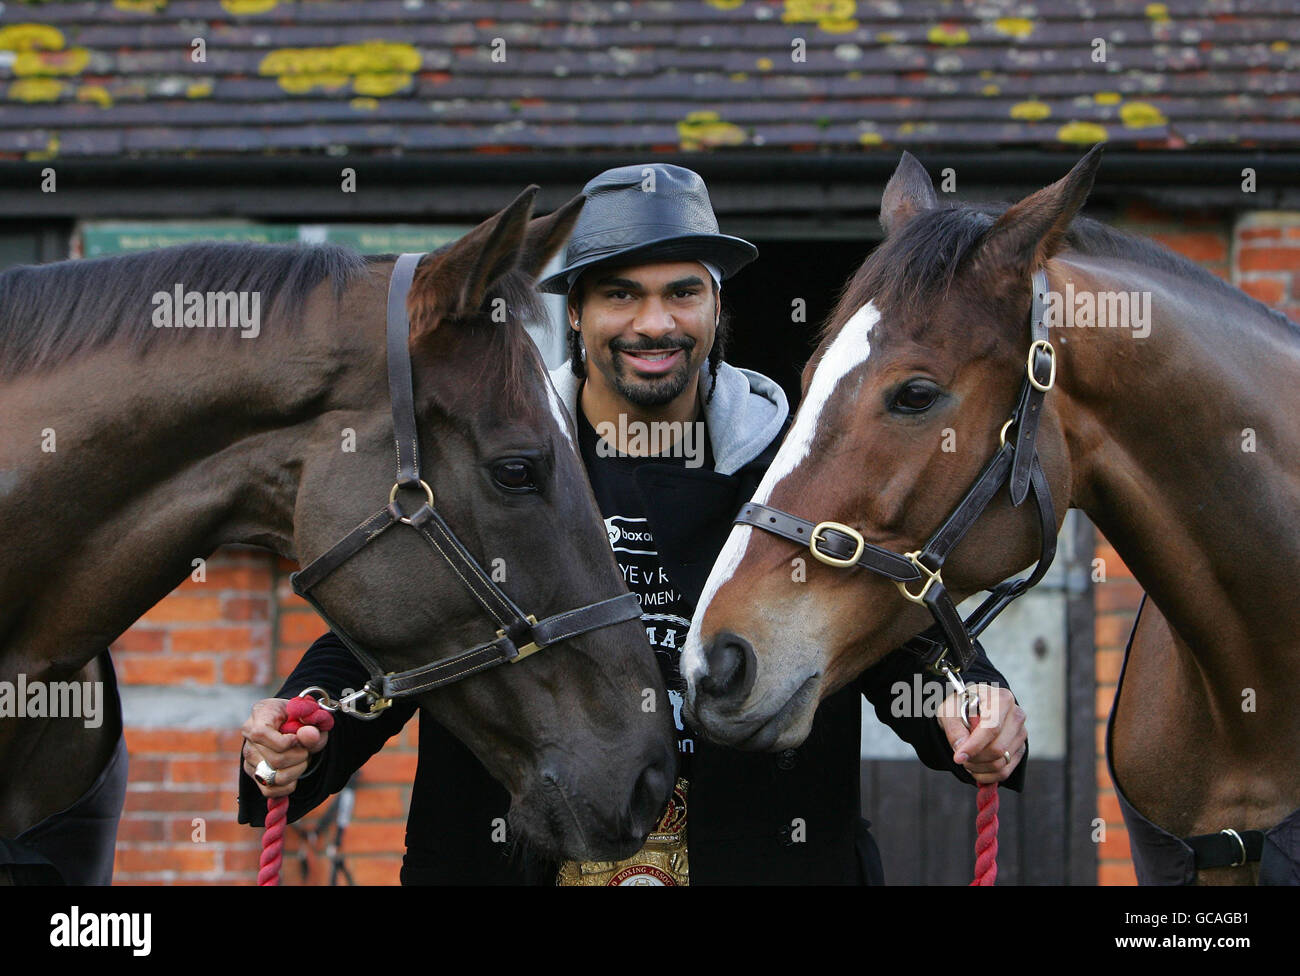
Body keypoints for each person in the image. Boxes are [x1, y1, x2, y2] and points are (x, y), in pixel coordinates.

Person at [237, 163, 1028, 884]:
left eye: (683, 292)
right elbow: (388, 627)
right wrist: (306, 727)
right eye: (620, 294)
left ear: (718, 307)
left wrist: (968, 707)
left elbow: (892, 627)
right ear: (575, 314)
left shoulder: (796, 469)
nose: (656, 323)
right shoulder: (490, 471)